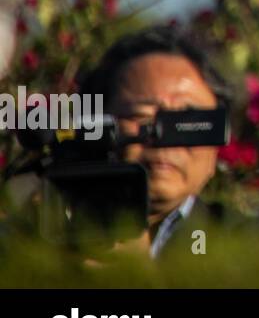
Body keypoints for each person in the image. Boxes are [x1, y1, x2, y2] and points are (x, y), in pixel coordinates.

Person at [77, 25, 232, 259]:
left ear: (215, 150)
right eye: (142, 117)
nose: (165, 139)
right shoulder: (42, 232)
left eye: (188, 122)